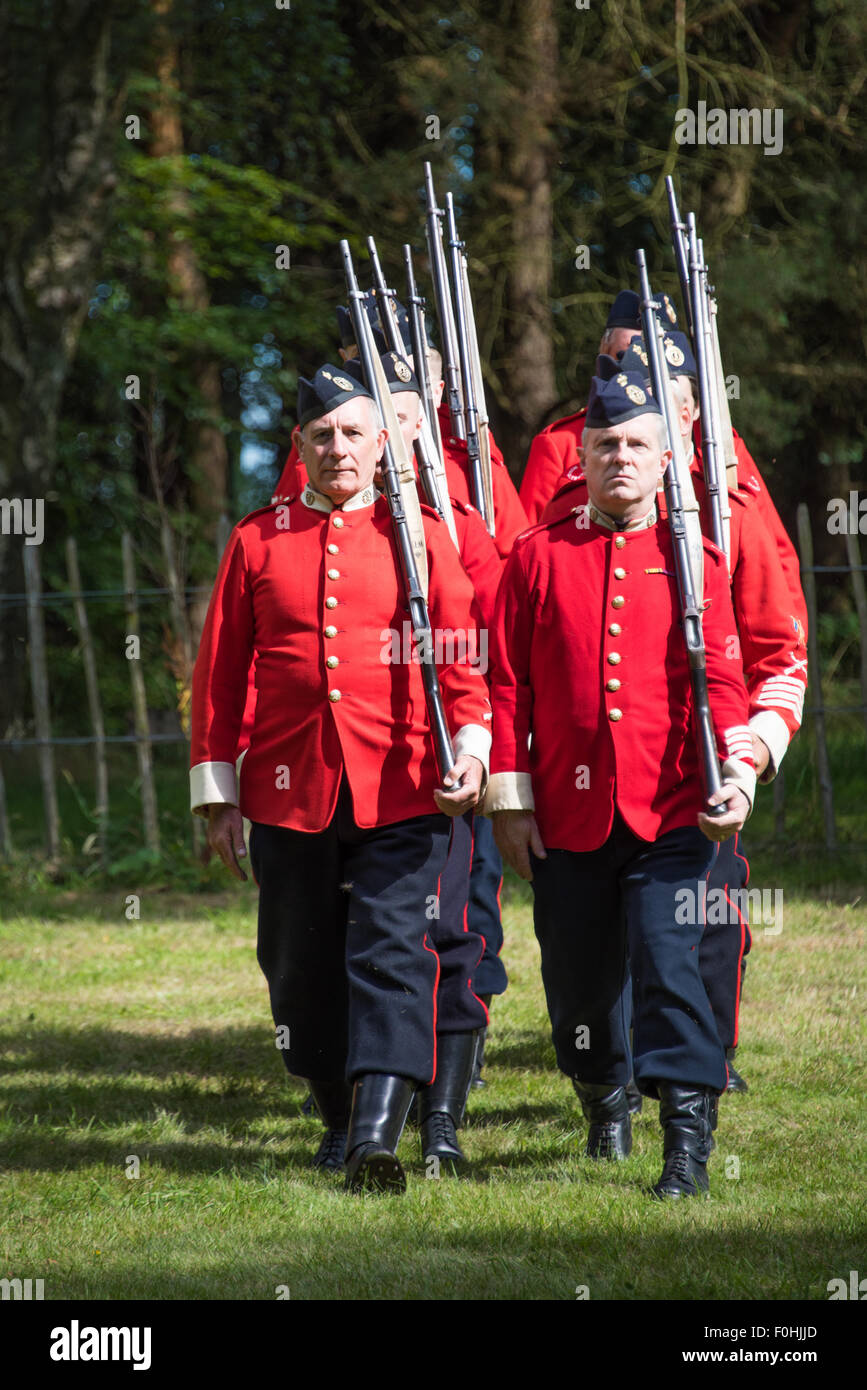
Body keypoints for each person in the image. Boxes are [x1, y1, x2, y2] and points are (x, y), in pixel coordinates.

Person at [190, 365, 492, 1194]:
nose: (337, 448)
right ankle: (333, 1118)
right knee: (297, 965)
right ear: (299, 446)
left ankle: (373, 1140)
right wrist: (218, 792)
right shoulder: (258, 538)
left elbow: (460, 655)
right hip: (289, 793)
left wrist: (470, 746)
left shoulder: (421, 534)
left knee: (395, 952)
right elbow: (221, 675)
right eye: (321, 435)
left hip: (403, 786)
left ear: (384, 442)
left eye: (354, 432)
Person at [485, 370, 756, 1199]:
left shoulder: (697, 559)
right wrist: (510, 802)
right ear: (583, 456)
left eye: (637, 444)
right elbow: (504, 686)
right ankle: (602, 1095)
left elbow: (723, 686)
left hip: (672, 807)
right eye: (604, 445)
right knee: (576, 975)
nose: (620, 458)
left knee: (670, 962)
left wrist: (734, 773)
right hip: (567, 817)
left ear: (666, 456)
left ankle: (685, 1141)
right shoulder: (536, 558)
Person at [542, 337, 808, 1090]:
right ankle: (615, 1078)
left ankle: (700, 1067)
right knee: (588, 948)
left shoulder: (733, 501)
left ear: (692, 409)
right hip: (590, 778)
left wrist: (743, 756)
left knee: (701, 929)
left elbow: (773, 653)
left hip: (705, 763)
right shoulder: (578, 495)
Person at [518, 289, 677, 525]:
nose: (636, 369)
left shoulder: (706, 444)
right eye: (624, 354)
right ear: (603, 351)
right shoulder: (560, 444)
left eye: (649, 361)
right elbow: (530, 538)